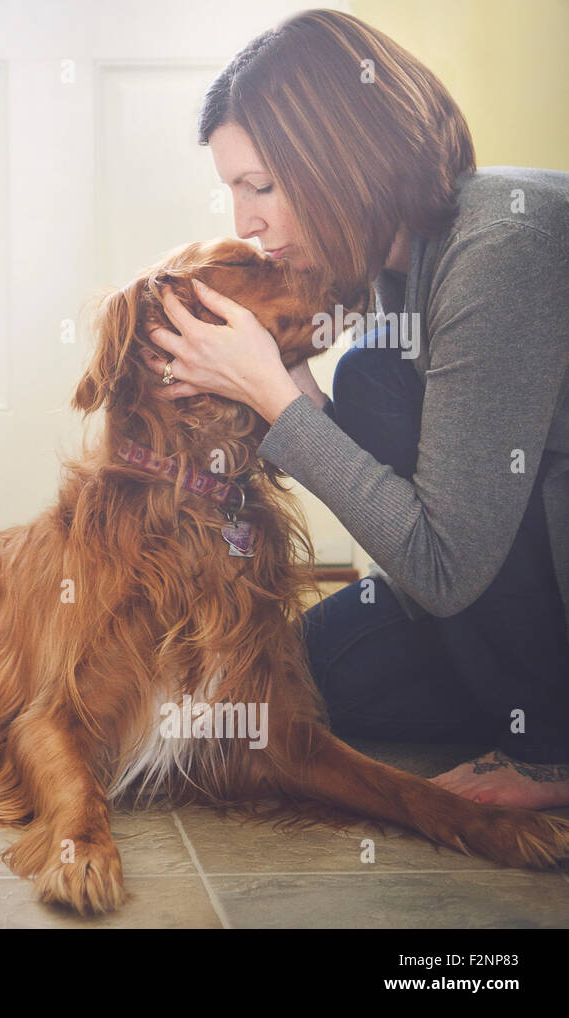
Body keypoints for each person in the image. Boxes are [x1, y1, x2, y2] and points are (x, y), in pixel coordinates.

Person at [141, 9, 569, 808]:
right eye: (235, 192)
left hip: (505, 561)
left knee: (372, 381)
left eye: (262, 186)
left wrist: (272, 393)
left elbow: (443, 567)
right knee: (312, 673)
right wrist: (288, 386)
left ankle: (549, 750)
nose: (247, 222)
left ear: (347, 158)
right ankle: (520, 698)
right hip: (493, 572)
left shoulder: (499, 249)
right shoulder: (397, 267)